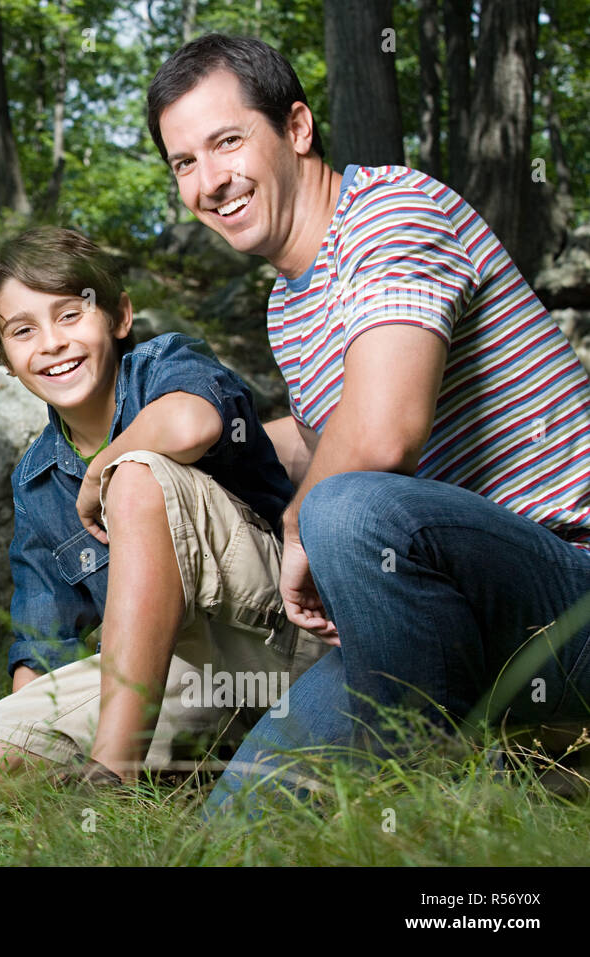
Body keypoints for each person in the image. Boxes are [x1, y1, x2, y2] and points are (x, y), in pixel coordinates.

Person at [144, 32, 590, 812]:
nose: (209, 181)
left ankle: (433, 803)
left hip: (563, 593)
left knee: (345, 509)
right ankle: (467, 759)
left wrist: (296, 524)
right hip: (437, 615)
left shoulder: (392, 211)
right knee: (241, 820)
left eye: (226, 141)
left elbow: (381, 435)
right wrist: (166, 453)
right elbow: (325, 438)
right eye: (184, 162)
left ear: (297, 128)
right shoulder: (289, 303)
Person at [0, 225, 329, 793]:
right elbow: (42, 644)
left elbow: (191, 423)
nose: (51, 343)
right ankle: (198, 777)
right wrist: (35, 724)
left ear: (120, 317)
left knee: (135, 478)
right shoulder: (36, 482)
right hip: (184, 677)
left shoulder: (164, 364)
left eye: (70, 315)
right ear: (5, 357)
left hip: (282, 634)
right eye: (23, 331)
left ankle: (114, 771)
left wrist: (103, 469)